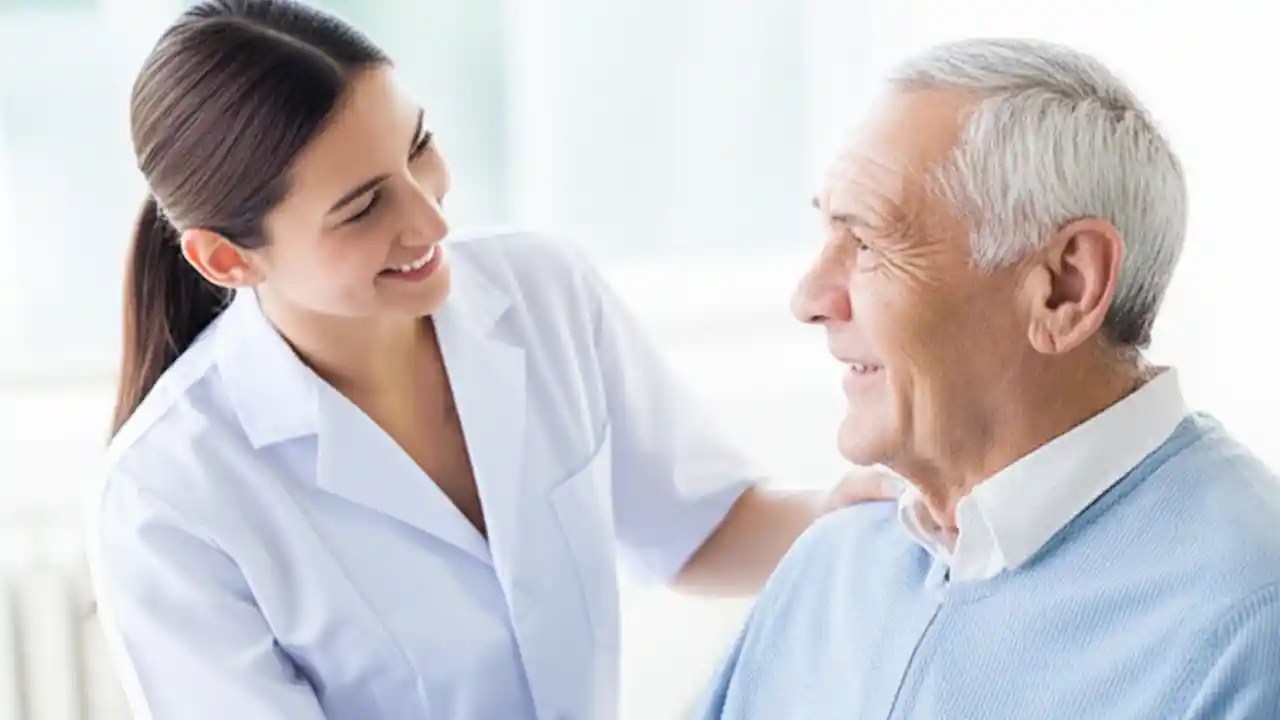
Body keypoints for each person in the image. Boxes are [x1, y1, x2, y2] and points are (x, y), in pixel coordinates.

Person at [85, 2, 897, 719]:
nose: (430, 218)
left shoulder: (540, 291)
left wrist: (854, 515)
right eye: (364, 206)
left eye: (420, 147)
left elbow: (699, 528)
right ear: (227, 261)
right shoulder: (168, 497)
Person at [697, 38, 1280, 719]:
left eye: (867, 242)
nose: (810, 298)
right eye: (826, 234)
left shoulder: (1246, 620)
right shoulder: (834, 563)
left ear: (1067, 287)